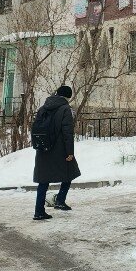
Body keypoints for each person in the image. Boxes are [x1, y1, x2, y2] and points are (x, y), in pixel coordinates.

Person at [31, 85, 81, 221]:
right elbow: (67, 133)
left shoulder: (43, 108)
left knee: (43, 180)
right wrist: (70, 152)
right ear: (68, 97)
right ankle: (60, 200)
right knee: (70, 172)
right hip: (59, 150)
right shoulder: (65, 110)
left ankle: (39, 211)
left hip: (43, 149)